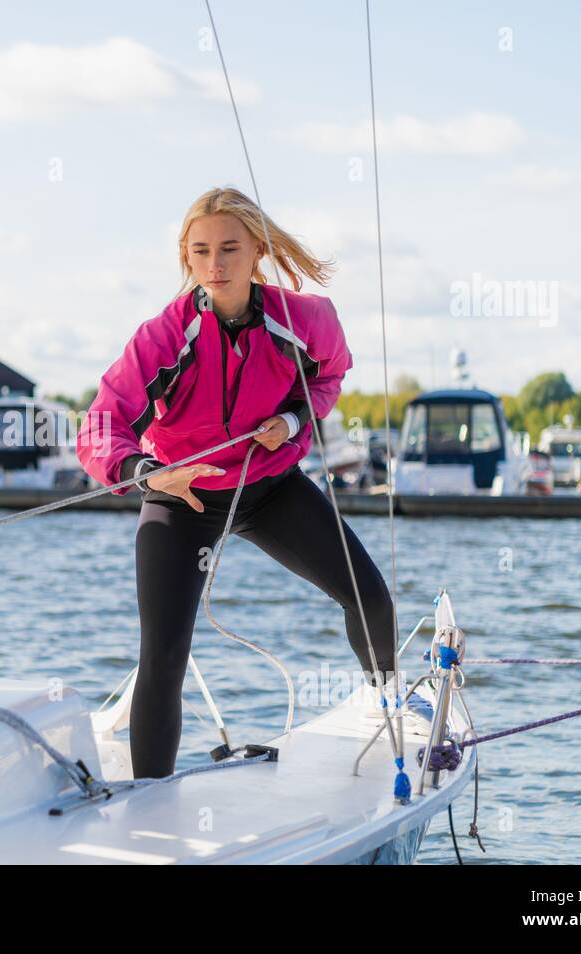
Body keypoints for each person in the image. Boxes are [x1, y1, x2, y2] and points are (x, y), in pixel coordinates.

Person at [76, 187, 395, 778]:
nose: (216, 265)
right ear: (186, 258)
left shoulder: (306, 321)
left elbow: (329, 378)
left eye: (229, 249)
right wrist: (148, 472)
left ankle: (390, 710)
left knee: (369, 595)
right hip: (182, 500)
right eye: (201, 251)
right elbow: (101, 422)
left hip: (269, 487)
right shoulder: (164, 336)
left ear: (258, 252)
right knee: (164, 658)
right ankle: (152, 799)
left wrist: (295, 419)